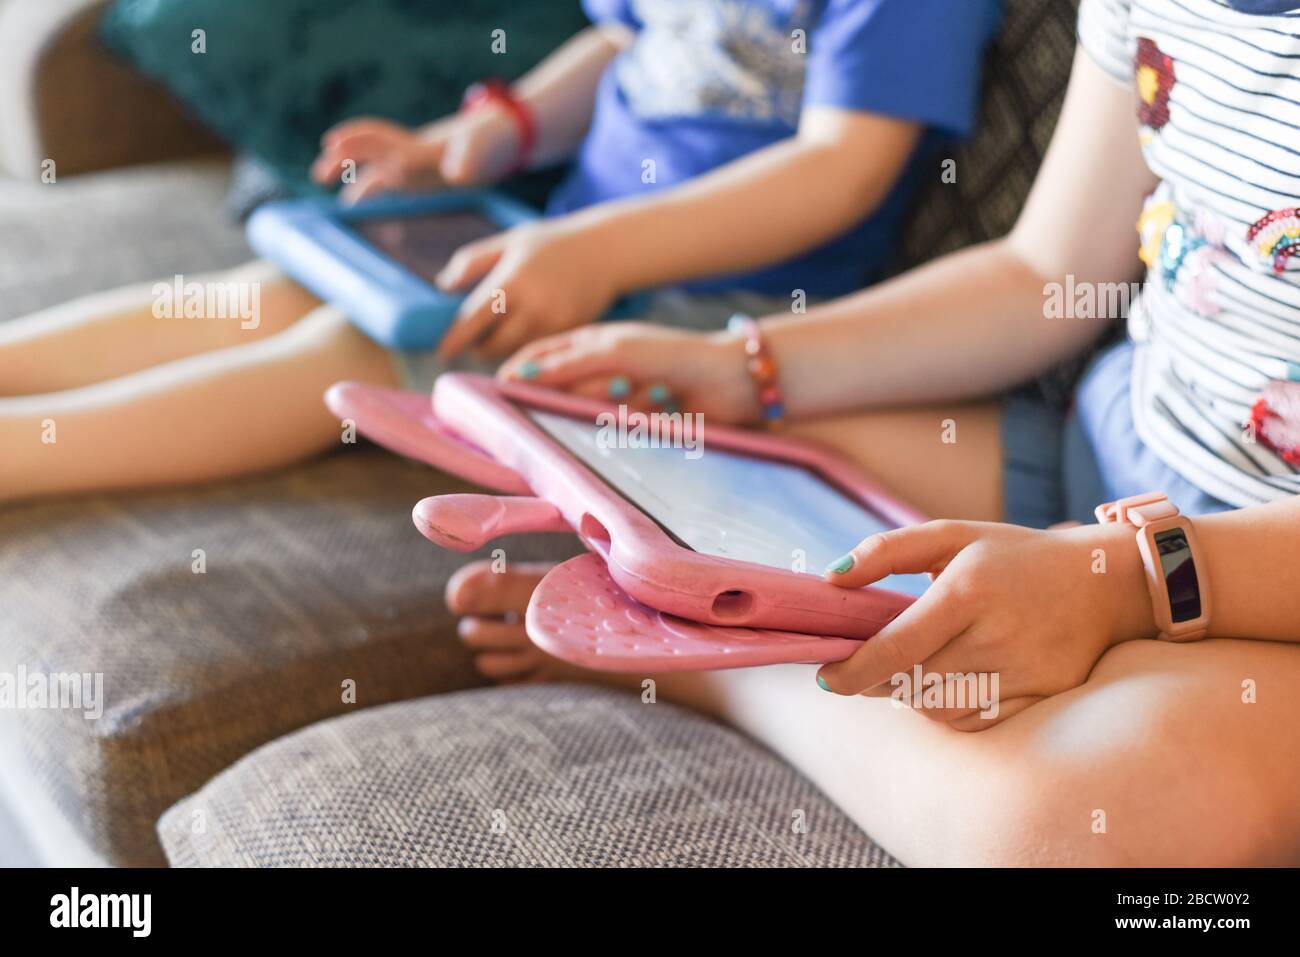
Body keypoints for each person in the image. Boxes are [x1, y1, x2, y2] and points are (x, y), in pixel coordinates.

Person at [445, 0, 1300, 865]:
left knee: (1076, 829)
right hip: (1122, 455)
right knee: (662, 456)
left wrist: (1126, 583)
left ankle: (726, 664)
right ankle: (721, 607)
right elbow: (1044, 274)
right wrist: (747, 368)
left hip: (1263, 574)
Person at [0, 0, 998, 502]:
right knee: (275, 289)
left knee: (351, 358)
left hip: (696, 318)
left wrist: (599, 252)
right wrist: (492, 132)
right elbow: (621, 43)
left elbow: (841, 169)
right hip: (549, 242)